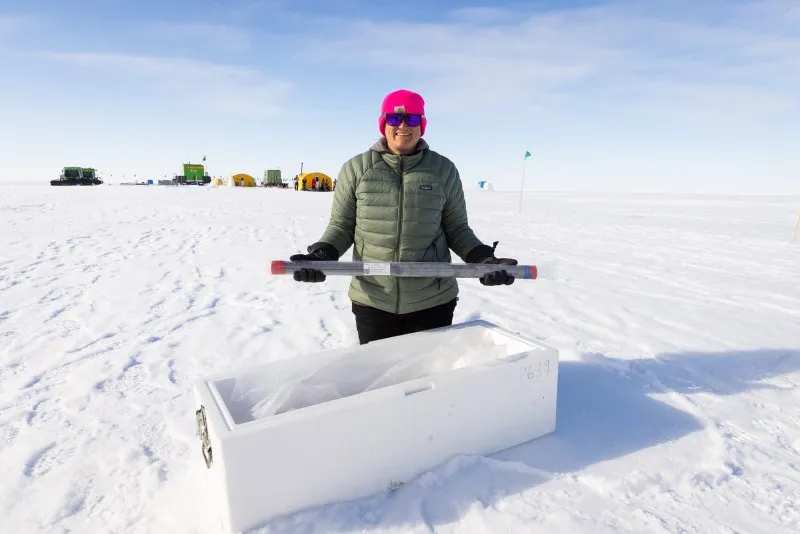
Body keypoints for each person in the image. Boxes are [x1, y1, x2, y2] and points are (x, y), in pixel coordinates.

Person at [290, 89, 518, 345]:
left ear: (421, 125)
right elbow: (342, 225)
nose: (402, 126)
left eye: (411, 119)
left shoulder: (443, 169)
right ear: (382, 123)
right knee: (381, 377)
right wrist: (323, 255)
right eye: (394, 118)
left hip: (432, 301)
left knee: (429, 376)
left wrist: (482, 258)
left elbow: (456, 227)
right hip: (373, 301)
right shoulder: (356, 168)